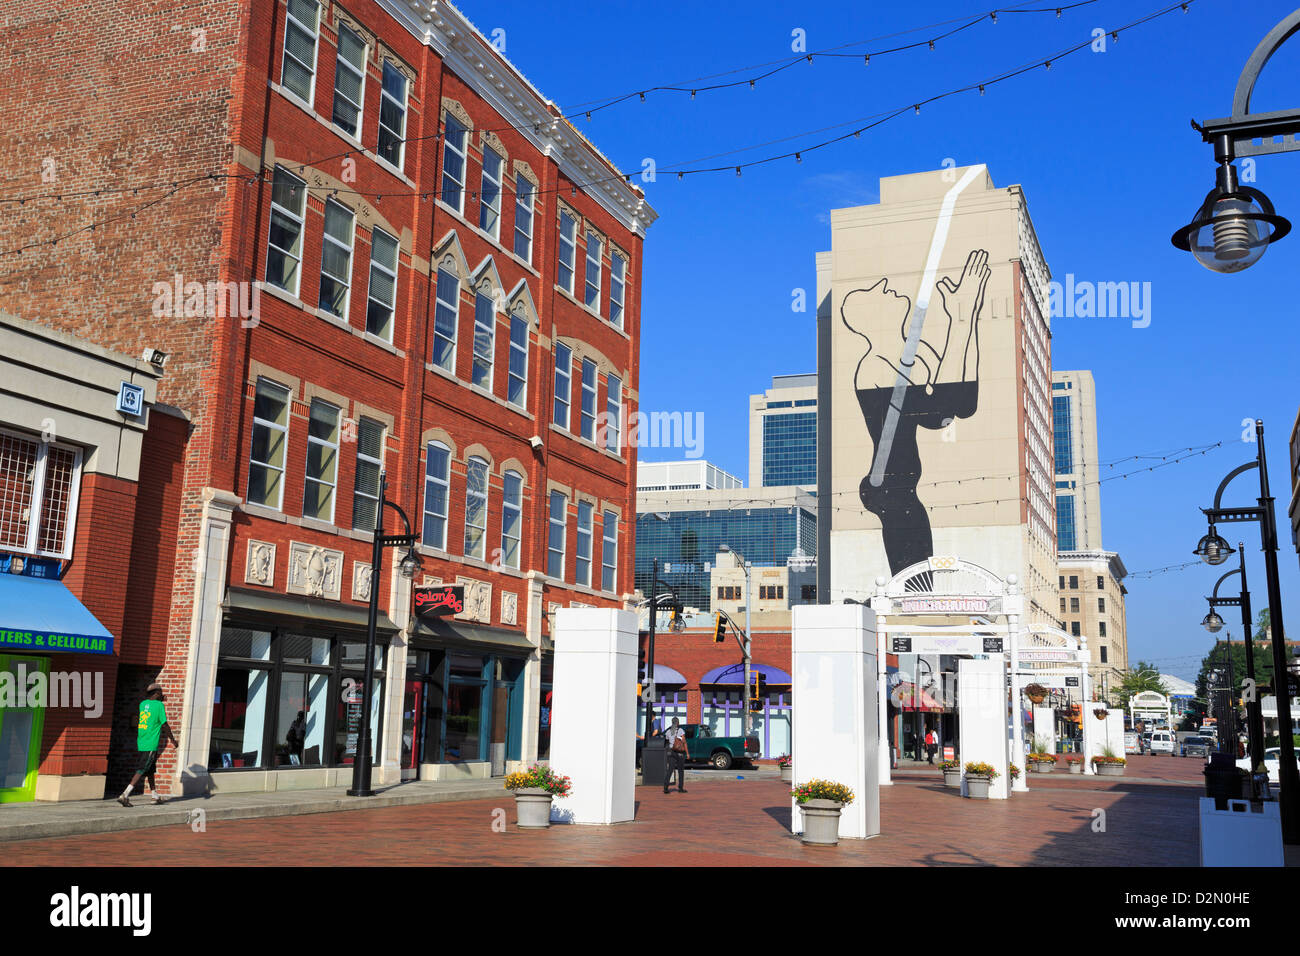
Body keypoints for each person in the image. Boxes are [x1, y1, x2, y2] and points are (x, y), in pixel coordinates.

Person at [118, 682, 177, 807]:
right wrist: (173, 740)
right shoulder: (159, 705)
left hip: (142, 741)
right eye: (160, 693)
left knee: (150, 770)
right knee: (142, 768)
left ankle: (154, 796)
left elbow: (152, 707)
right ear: (156, 693)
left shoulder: (143, 704)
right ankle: (125, 794)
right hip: (151, 742)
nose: (162, 695)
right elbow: (164, 725)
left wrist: (161, 698)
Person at [663, 717, 687, 793]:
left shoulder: (668, 731)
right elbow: (684, 741)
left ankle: (666, 788)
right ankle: (680, 788)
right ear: (678, 723)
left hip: (671, 752)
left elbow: (666, 741)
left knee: (670, 769)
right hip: (679, 752)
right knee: (680, 771)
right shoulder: (680, 730)